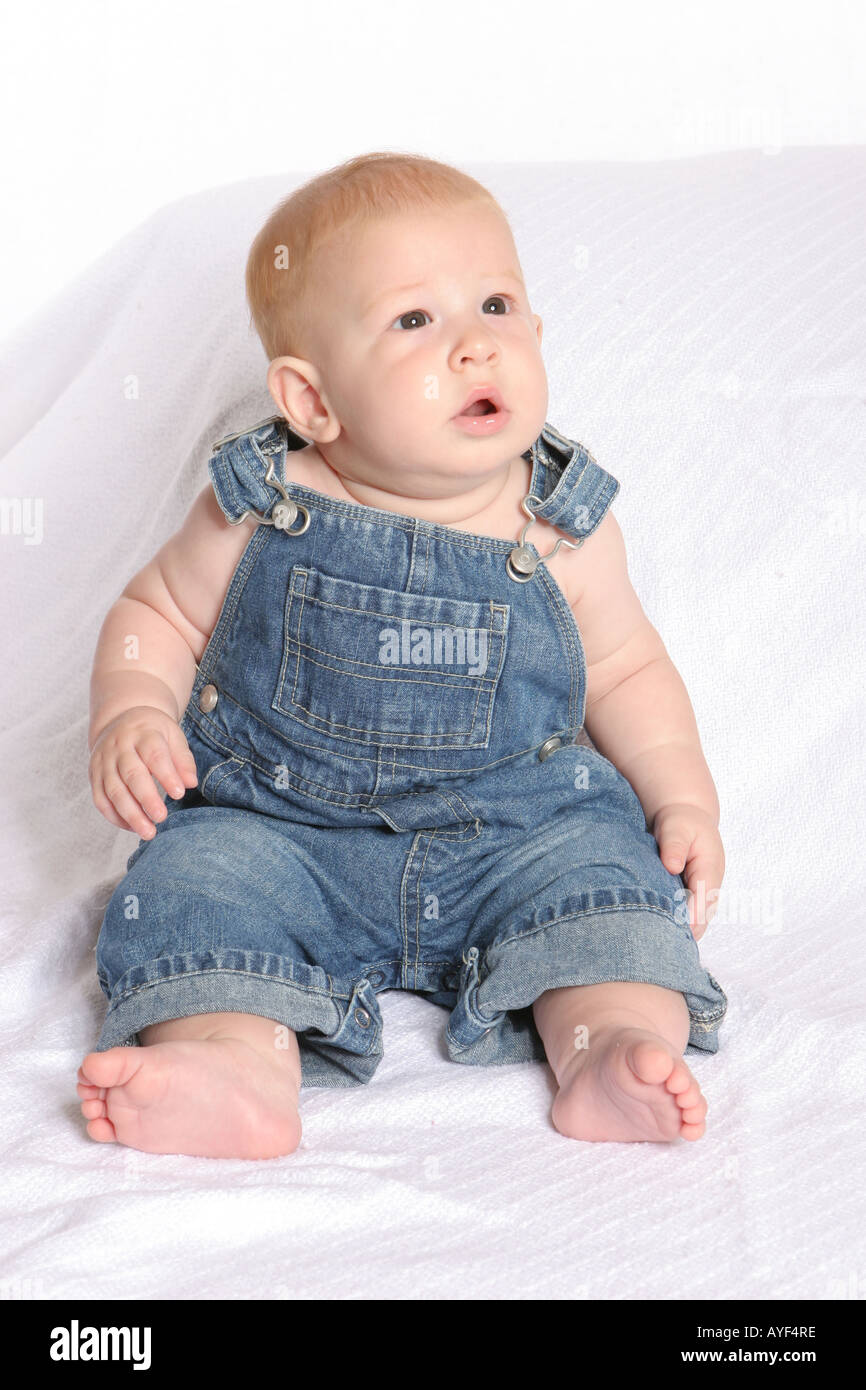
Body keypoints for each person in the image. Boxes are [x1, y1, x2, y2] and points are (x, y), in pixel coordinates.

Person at [77, 151, 727, 1158]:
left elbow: (629, 669)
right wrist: (132, 710)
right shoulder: (259, 507)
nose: (475, 346)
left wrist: (682, 796)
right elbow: (152, 613)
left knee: (606, 889)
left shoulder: (563, 527)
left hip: (518, 832)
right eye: (414, 321)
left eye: (496, 305)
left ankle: (608, 1046)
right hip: (282, 831)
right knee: (191, 889)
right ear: (311, 398)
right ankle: (233, 1064)